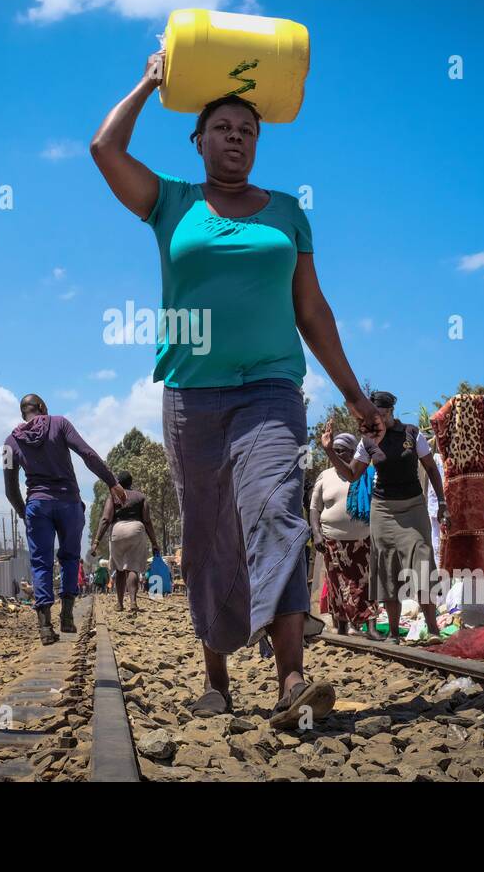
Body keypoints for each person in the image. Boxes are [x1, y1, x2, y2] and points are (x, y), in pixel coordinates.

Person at [90, 50, 379, 730]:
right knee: (209, 532)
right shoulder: (172, 202)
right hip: (193, 395)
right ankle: (216, 676)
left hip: (272, 389)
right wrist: (149, 82)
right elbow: (105, 148)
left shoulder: (286, 211)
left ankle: (291, 679)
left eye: (248, 128)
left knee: (277, 508)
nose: (237, 137)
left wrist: (356, 395)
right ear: (199, 141)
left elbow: (312, 309)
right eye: (222, 126)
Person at [323, 391, 449, 644]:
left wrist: (442, 503)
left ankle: (433, 629)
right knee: (388, 568)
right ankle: (393, 634)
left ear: (391, 412)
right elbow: (352, 475)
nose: (376, 419)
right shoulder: (368, 440)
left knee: (422, 561)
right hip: (383, 509)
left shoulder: (412, 434)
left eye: (380, 414)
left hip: (413, 507)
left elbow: (431, 469)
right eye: (373, 414)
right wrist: (329, 451)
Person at [3, 394, 127, 644]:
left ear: (22, 414)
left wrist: (23, 512)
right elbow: (87, 454)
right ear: (43, 408)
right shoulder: (60, 423)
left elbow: (10, 488)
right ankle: (68, 618)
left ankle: (46, 628)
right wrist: (111, 481)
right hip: (69, 503)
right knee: (70, 558)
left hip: (37, 505)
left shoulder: (9, 442)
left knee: (41, 563)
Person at [309, 433, 375, 635]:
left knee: (364, 584)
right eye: (334, 450)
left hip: (362, 540)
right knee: (337, 584)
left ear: (353, 452)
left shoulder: (365, 474)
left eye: (341, 450)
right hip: (332, 541)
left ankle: (370, 626)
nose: (336, 454)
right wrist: (317, 534)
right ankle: (343, 627)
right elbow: (314, 508)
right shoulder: (325, 476)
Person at [92, 471, 160, 613]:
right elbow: (147, 521)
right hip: (136, 529)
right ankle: (133, 602)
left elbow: (106, 519)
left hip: (117, 530)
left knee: (119, 569)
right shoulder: (141, 497)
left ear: (118, 483)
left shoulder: (113, 495)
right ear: (131, 482)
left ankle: (119, 603)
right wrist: (154, 542)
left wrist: (96, 541)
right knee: (132, 567)